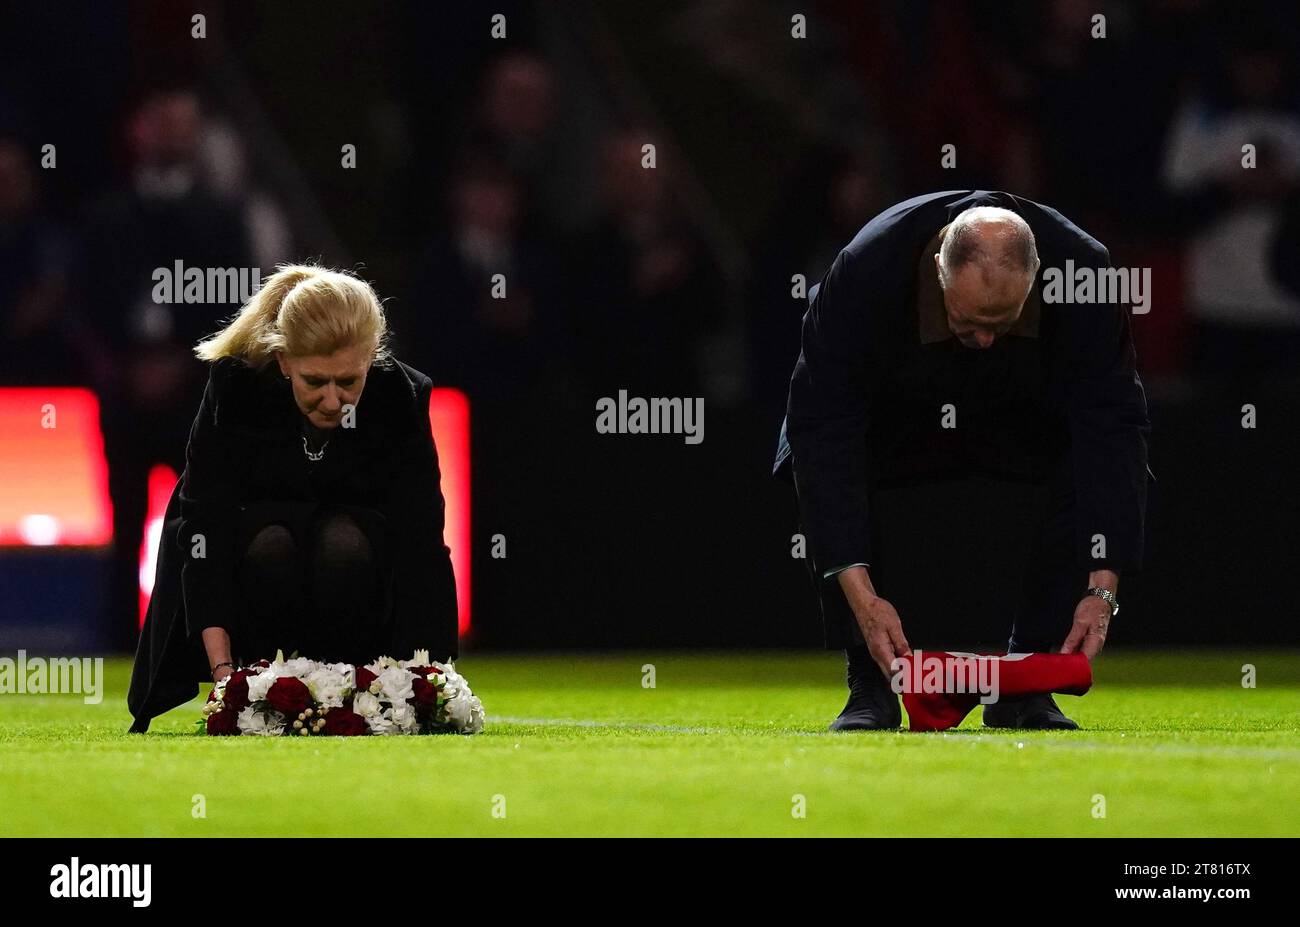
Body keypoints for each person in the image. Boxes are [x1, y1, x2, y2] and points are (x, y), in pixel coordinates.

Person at [774, 191, 1151, 731]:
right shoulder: (865, 272)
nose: (983, 339)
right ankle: (869, 683)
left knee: (1087, 460)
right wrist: (863, 598)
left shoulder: (1086, 274)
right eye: (968, 319)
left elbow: (1113, 428)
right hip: (892, 409)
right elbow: (822, 434)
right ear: (937, 271)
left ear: (1040, 275)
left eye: (1002, 321)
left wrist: (1102, 588)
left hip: (1019, 404)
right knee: (815, 456)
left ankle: (1025, 685)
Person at [127, 265, 457, 732]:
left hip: (356, 573)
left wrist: (432, 675)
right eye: (314, 381)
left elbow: (422, 538)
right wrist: (225, 680)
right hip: (255, 564)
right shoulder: (235, 390)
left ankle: (349, 682)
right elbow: (206, 532)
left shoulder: (399, 397)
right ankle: (263, 679)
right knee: (272, 542)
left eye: (348, 382)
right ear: (283, 362)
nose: (331, 400)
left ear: (371, 360)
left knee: (342, 541)